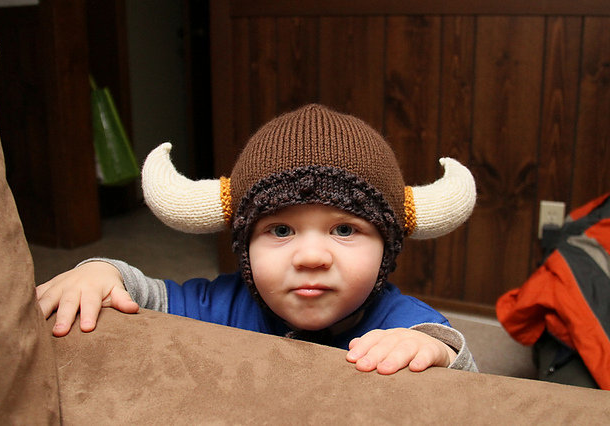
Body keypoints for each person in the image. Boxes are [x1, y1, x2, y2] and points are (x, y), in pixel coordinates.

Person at [37, 104, 478, 374]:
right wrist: (102, 271)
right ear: (244, 248)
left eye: (345, 229)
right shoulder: (221, 305)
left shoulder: (403, 323)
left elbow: (464, 372)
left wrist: (433, 351)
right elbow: (146, 298)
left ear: (388, 248)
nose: (311, 257)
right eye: (280, 230)